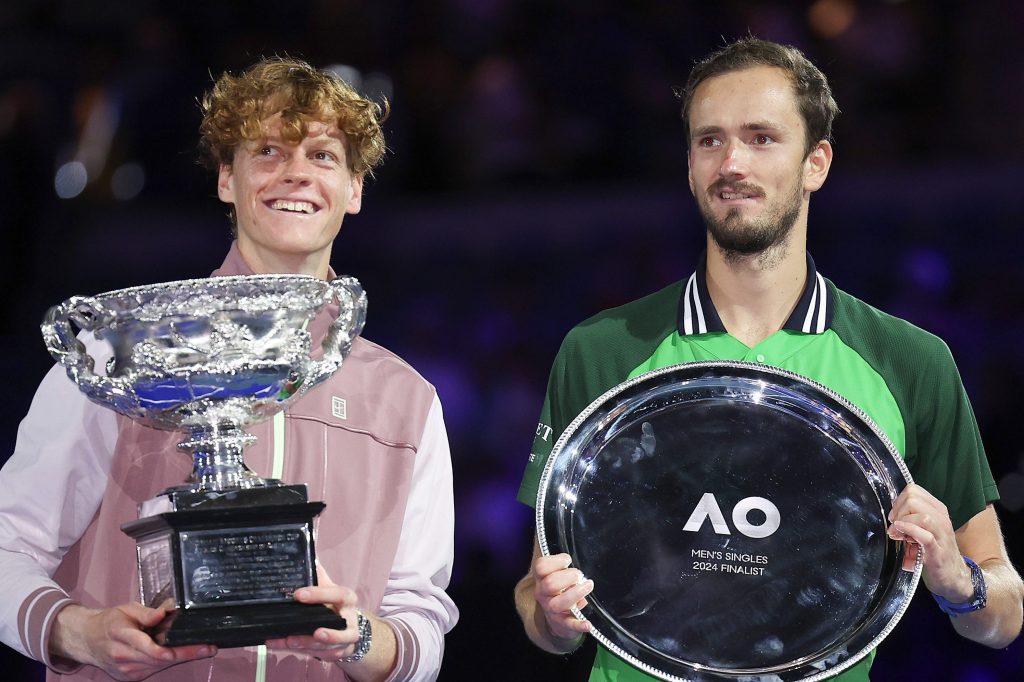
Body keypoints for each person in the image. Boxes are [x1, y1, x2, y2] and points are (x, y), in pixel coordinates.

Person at [514, 37, 1023, 681]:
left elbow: (1005, 615)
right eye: (710, 140)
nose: (732, 163)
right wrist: (551, 619)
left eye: (761, 138)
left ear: (817, 163)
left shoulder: (909, 361)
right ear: (690, 164)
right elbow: (536, 600)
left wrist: (956, 578)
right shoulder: (602, 349)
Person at [0, 57, 458, 681]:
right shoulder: (123, 356)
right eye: (268, 150)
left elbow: (420, 619)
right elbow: (7, 547)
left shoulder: (405, 400)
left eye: (324, 156)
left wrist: (358, 641)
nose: (296, 173)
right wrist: (79, 631)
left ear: (354, 189)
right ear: (226, 178)